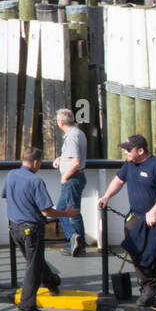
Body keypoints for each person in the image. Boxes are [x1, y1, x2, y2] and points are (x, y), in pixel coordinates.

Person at [2, 146, 80, 311]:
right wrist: (65, 214)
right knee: (33, 268)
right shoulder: (36, 181)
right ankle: (26, 308)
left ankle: (51, 281)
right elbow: (46, 211)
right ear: (36, 162)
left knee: (34, 261)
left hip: (15, 228)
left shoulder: (11, 175)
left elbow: (7, 198)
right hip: (31, 230)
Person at [97, 134, 156, 308]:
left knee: (152, 254)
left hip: (155, 218)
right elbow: (118, 180)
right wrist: (107, 196)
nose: (125, 152)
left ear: (140, 150)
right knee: (135, 250)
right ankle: (146, 285)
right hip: (136, 217)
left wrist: (154, 212)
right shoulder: (129, 165)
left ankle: (151, 287)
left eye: (128, 150)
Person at [51, 108, 88, 256]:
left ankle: (75, 239)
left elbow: (76, 161)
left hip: (72, 179)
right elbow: (73, 155)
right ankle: (76, 241)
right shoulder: (77, 133)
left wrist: (65, 176)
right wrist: (61, 159)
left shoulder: (72, 136)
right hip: (75, 177)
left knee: (69, 211)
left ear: (60, 122)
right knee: (64, 209)